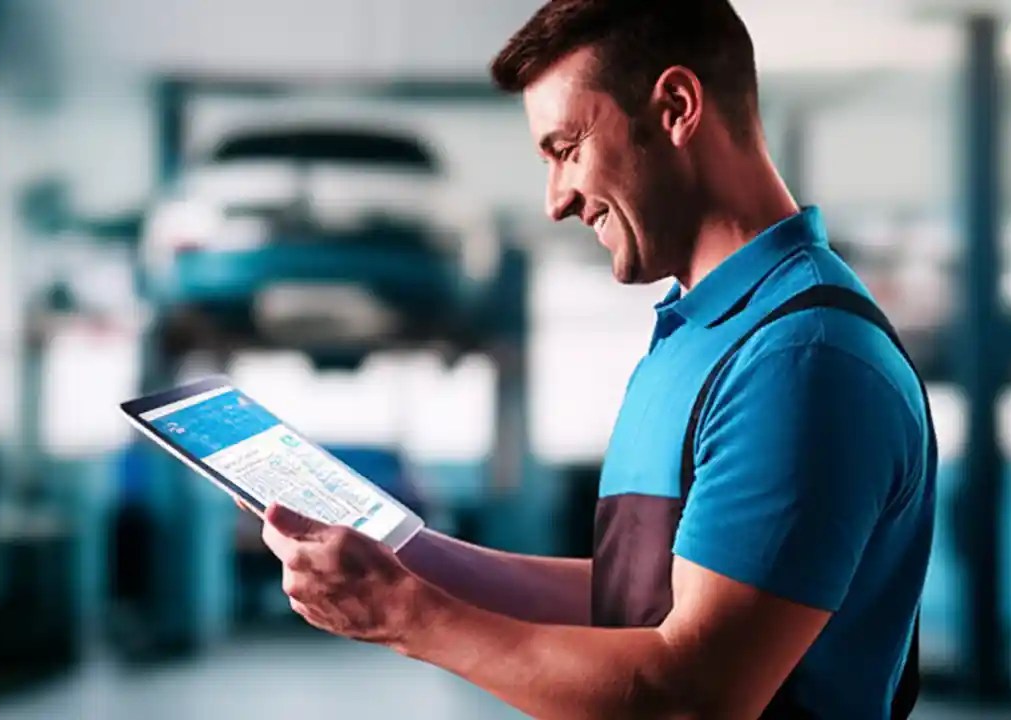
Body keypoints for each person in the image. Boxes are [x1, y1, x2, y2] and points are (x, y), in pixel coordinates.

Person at [247, 1, 936, 717]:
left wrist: (404, 614)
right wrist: (404, 553)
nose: (555, 200)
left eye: (566, 148)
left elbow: (689, 699)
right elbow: (636, 600)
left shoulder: (802, 358)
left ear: (675, 107)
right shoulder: (703, 333)